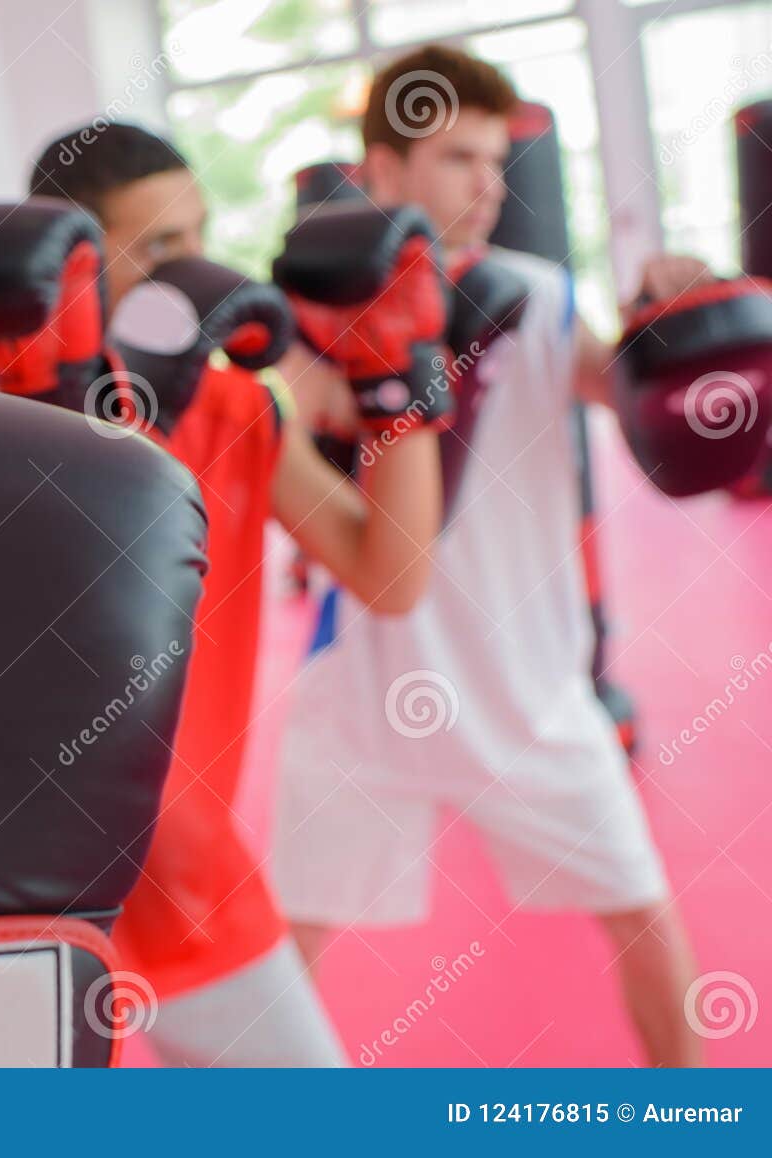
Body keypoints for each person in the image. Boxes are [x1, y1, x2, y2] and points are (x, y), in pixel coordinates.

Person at [271, 44, 705, 1066]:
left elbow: (627, 394)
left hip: (528, 686)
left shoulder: (539, 292)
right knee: (283, 941)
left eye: (494, 160)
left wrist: (672, 316)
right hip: (369, 682)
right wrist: (376, 349)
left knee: (639, 912)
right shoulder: (315, 309)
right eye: (459, 158)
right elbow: (307, 426)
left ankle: (692, 1116)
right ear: (382, 170)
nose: (488, 184)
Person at [17, 122, 446, 1065]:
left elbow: (391, 574)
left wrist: (394, 383)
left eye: (201, 235)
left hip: (188, 872)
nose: (197, 268)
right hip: (9, 880)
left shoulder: (233, 405)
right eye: (162, 246)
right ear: (74, 260)